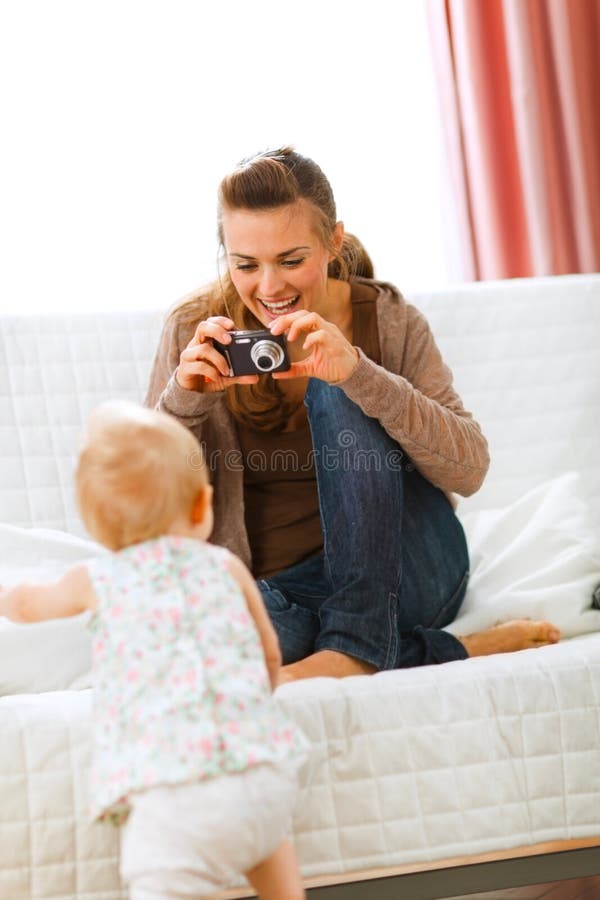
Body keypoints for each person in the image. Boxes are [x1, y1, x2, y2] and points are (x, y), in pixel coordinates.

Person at [145, 146, 560, 684]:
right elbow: (145, 505)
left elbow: (470, 470)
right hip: (282, 590)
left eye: (291, 260)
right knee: (188, 648)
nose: (269, 288)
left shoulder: (390, 320)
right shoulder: (194, 329)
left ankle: (352, 644)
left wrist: (360, 374)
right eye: (246, 264)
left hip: (407, 568)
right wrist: (185, 399)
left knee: (337, 384)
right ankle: (406, 651)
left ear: (332, 242)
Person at [0, 400, 308, 900]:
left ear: (96, 527)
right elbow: (268, 653)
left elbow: (32, 605)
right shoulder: (226, 567)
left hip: (175, 795)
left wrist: (6, 598)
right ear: (201, 507)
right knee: (276, 872)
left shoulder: (96, 577)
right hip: (261, 777)